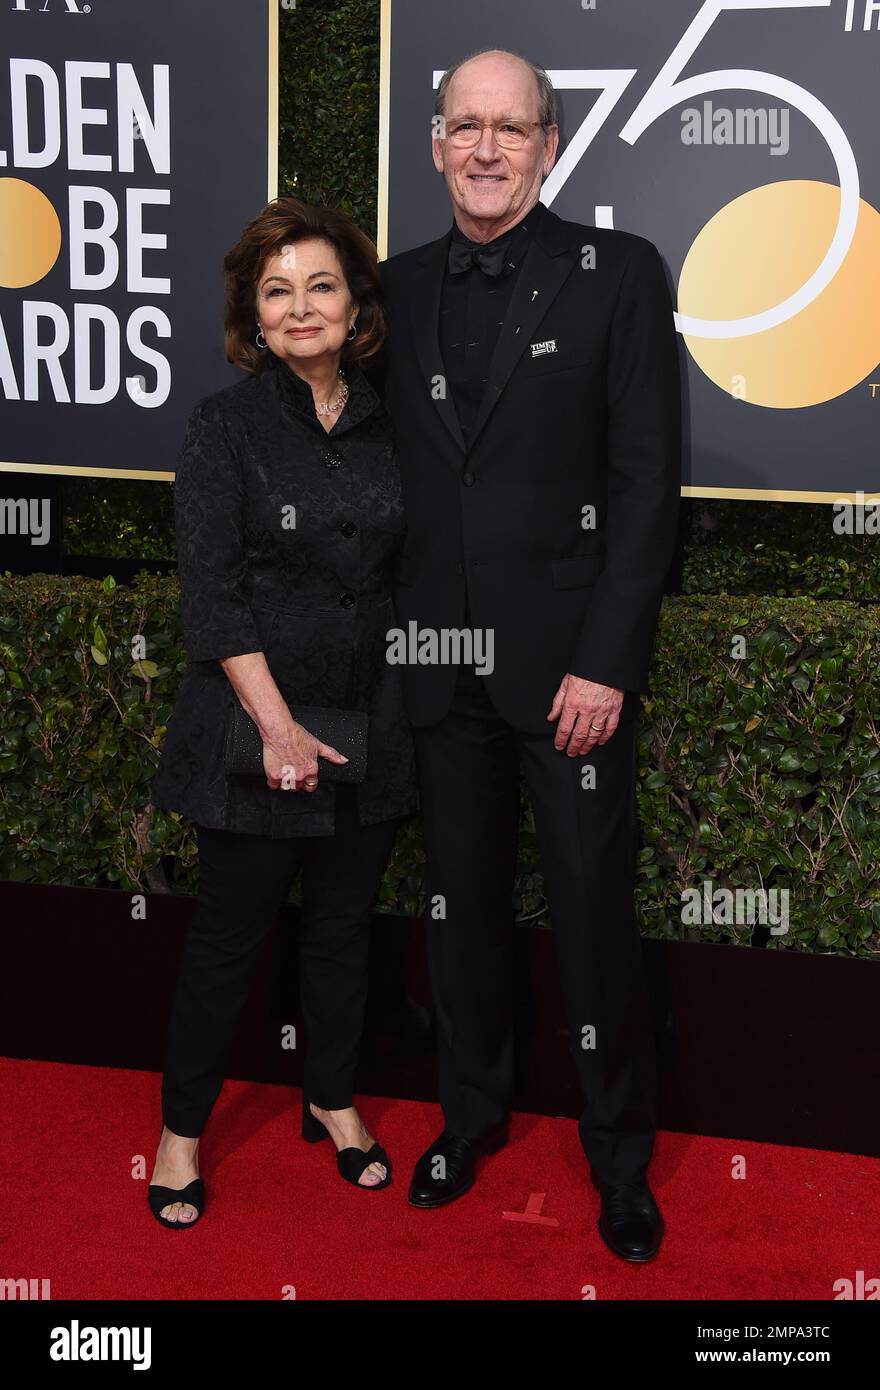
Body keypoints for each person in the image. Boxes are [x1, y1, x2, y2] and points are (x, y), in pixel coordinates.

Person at [375, 49, 682, 1261]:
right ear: (438, 145)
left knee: (595, 918)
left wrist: (607, 661)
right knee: (461, 914)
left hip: (569, 676)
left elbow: (646, 482)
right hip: (439, 668)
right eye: (466, 127)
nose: (488, 148)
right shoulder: (391, 292)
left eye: (512, 128)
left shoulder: (616, 276)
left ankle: (619, 1159)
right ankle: (468, 1116)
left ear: (551, 144)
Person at [147, 197, 418, 1226]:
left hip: (373, 718)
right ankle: (179, 1131)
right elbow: (212, 595)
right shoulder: (223, 426)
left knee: (344, 929)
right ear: (253, 319)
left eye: (321, 285)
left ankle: (334, 1099)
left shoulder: (393, 419)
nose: (301, 306)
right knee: (228, 938)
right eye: (277, 291)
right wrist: (276, 729)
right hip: (257, 723)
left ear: (354, 306)